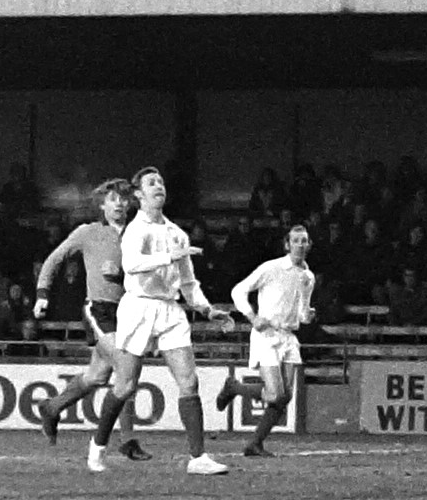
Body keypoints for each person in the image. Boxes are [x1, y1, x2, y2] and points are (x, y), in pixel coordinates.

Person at [86, 166, 235, 476]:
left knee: (188, 381)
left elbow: (189, 284)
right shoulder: (135, 230)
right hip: (138, 308)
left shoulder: (176, 233)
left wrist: (207, 310)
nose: (159, 187)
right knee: (125, 385)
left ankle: (198, 457)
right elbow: (132, 265)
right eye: (151, 183)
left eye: (162, 182)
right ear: (139, 194)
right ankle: (98, 446)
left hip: (169, 310)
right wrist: (170, 256)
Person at [32, 178, 149, 461]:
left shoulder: (139, 233)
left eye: (123, 199)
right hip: (99, 310)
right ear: (102, 205)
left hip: (130, 312)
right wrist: (42, 294)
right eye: (113, 199)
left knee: (96, 376)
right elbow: (54, 259)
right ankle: (128, 439)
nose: (119, 204)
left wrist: (121, 275)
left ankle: (52, 407)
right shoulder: (88, 232)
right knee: (126, 365)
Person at [218, 222, 317, 458]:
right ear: (287, 245)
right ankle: (235, 387)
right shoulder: (271, 268)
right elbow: (238, 291)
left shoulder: (308, 276)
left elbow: (303, 314)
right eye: (296, 241)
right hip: (267, 335)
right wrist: (252, 317)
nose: (301, 245)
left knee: (286, 396)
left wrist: (308, 315)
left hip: (289, 337)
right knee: (274, 395)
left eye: (304, 241)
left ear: (309, 245)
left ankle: (255, 443)